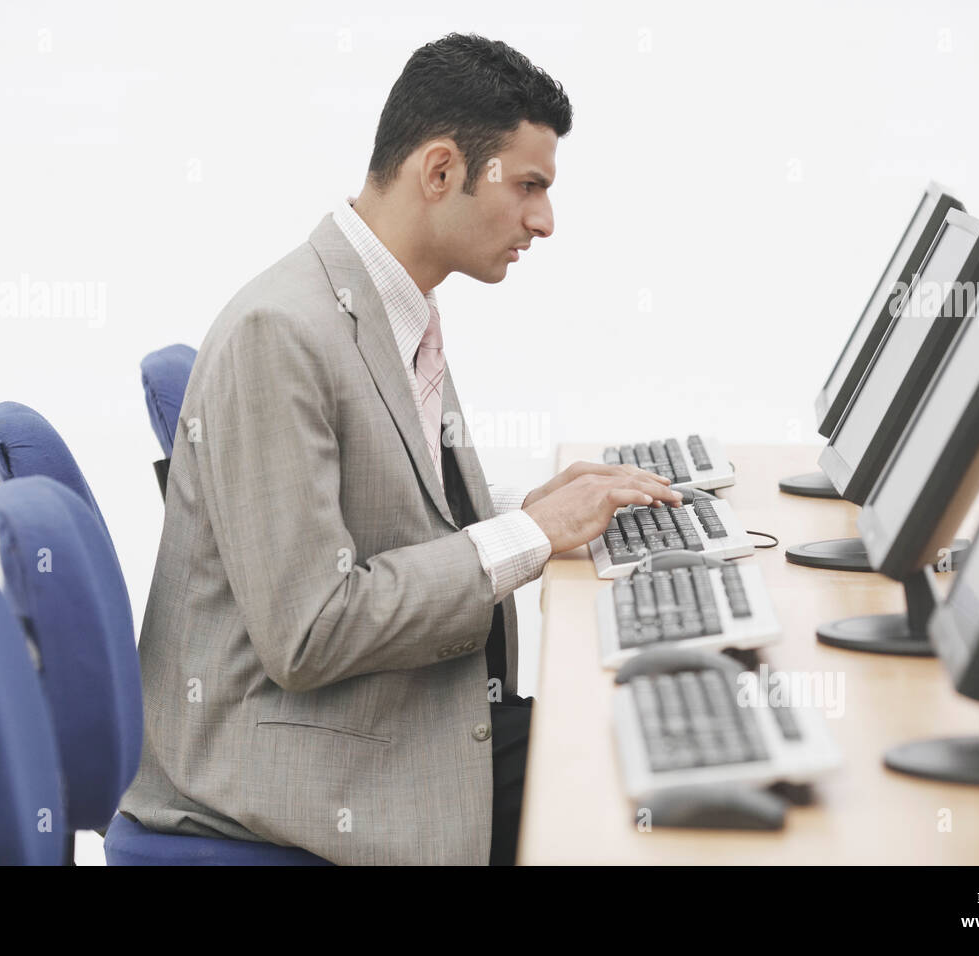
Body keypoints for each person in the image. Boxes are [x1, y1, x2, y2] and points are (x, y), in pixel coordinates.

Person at [118, 32, 681, 865]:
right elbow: (310, 629)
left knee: (639, 737)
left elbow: (388, 519)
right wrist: (531, 538)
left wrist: (525, 512)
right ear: (442, 170)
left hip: (387, 708)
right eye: (528, 186)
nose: (545, 221)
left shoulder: (389, 306)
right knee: (635, 793)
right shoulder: (282, 332)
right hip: (285, 766)